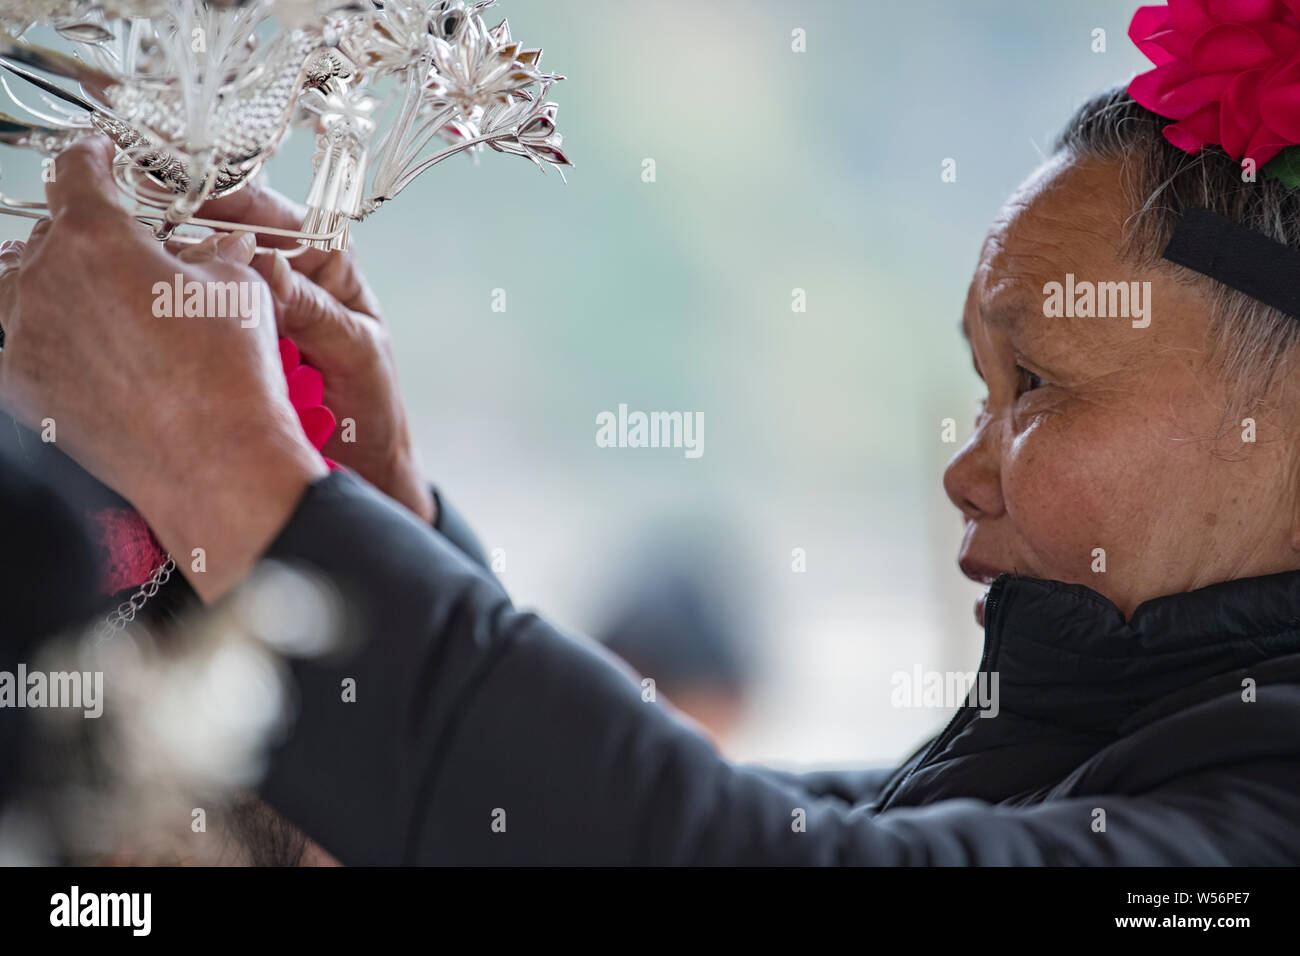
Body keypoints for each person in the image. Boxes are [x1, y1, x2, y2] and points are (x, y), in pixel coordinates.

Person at [6, 66, 1300, 862]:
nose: (965, 469)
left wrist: (227, 470)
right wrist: (378, 506)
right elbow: (662, 822)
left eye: (1040, 386)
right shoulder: (1115, 738)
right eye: (980, 389)